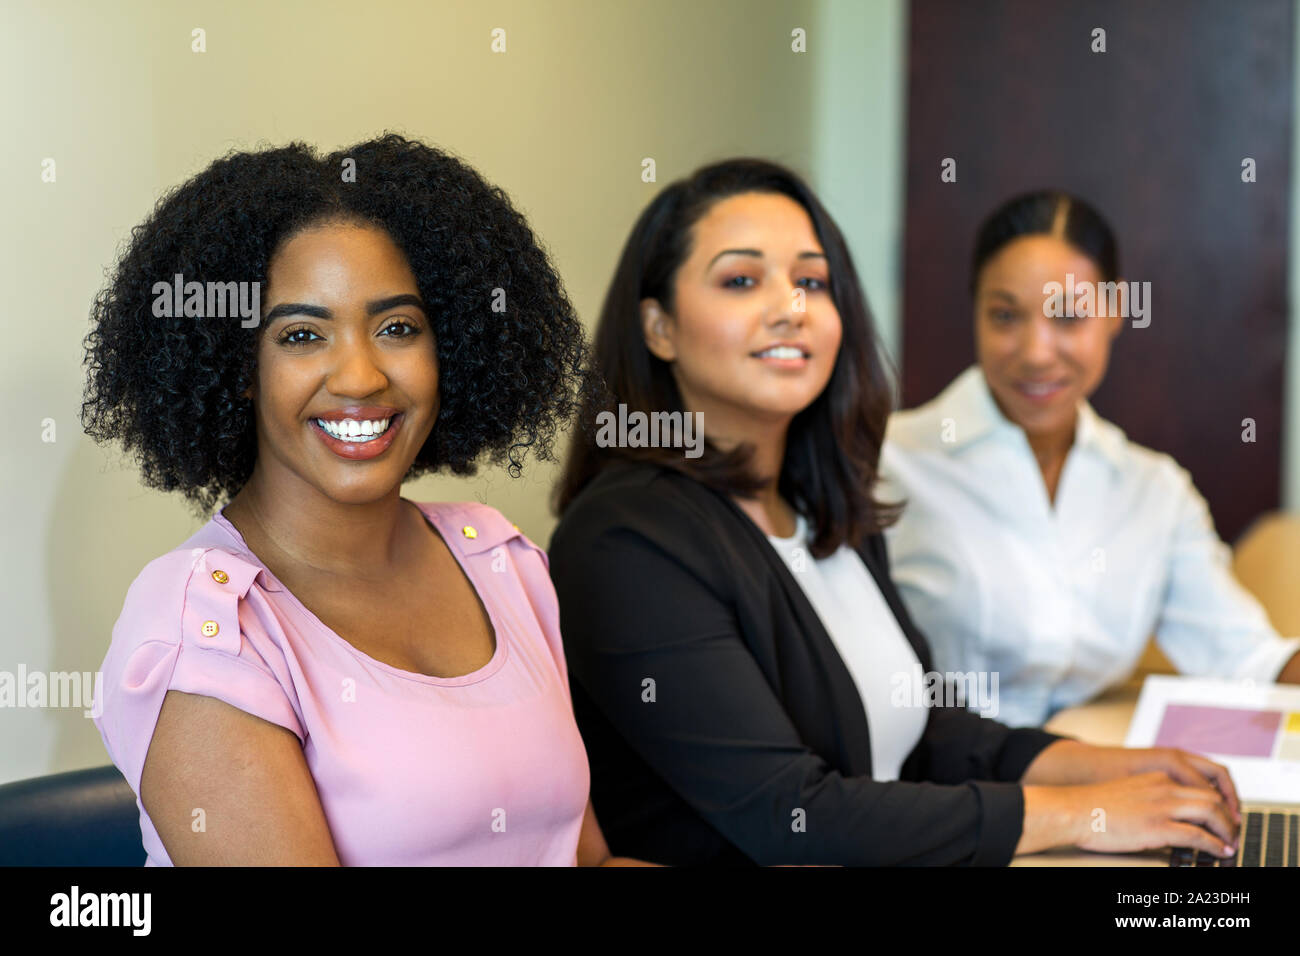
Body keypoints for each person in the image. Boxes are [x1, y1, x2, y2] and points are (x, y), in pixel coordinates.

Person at [548, 159, 1244, 866]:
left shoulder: (822, 503)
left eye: (812, 281)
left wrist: (1109, 770)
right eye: (741, 280)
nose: (790, 307)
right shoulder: (626, 538)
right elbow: (788, 813)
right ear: (659, 327)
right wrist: (1080, 814)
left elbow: (926, 729)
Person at [83, 134, 650, 866]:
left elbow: (587, 860)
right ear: (238, 368)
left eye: (397, 328)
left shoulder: (499, 559)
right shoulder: (206, 626)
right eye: (302, 335)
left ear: (452, 347)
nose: (359, 376)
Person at [879, 190, 1300, 729]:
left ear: (1115, 311)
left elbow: (1245, 658)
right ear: (975, 311)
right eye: (1005, 316)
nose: (1036, 352)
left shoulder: (1154, 492)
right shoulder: (889, 464)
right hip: (930, 772)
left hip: (1084, 768)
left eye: (1069, 317)